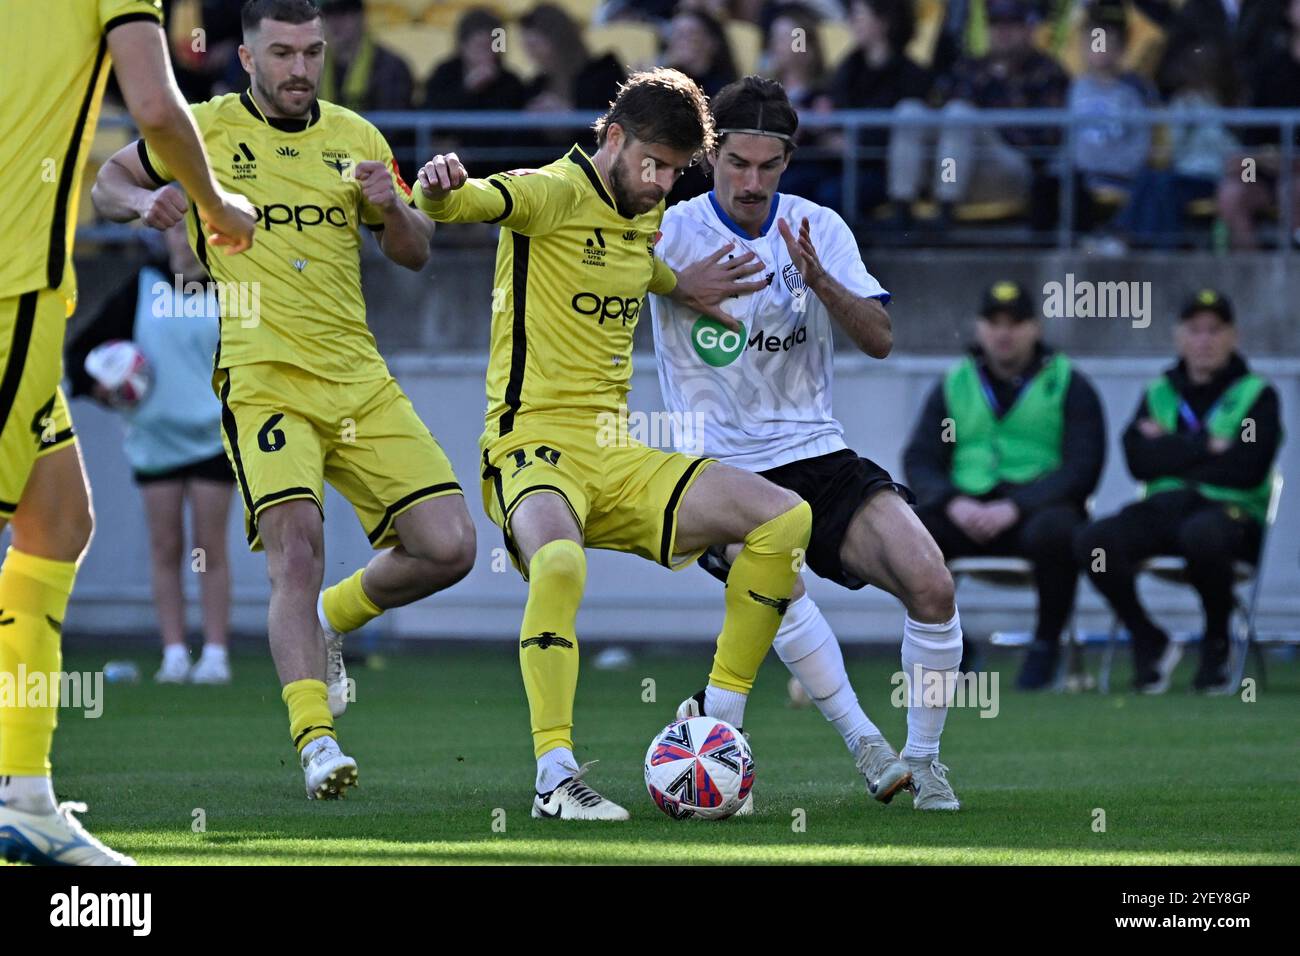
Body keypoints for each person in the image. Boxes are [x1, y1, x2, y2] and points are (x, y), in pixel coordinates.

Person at [92, 0, 476, 801]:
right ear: (246, 58)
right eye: (282, 54)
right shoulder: (202, 130)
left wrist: (392, 207)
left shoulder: (359, 138)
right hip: (263, 379)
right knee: (294, 549)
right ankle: (316, 741)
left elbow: (414, 254)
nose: (300, 69)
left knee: (450, 547)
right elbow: (108, 180)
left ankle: (333, 617)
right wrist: (143, 205)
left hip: (359, 378)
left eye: (311, 52)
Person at [415, 68, 813, 820]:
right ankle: (554, 777)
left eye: (675, 170)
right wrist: (436, 187)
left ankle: (718, 721)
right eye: (652, 164)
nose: (662, 183)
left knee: (784, 518)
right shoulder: (548, 191)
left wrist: (679, 284)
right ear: (614, 137)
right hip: (530, 446)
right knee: (558, 563)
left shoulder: (639, 216)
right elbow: (466, 202)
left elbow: (629, 263)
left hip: (616, 454)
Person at [650, 76, 965, 810]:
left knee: (932, 582)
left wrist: (823, 284)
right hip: (717, 467)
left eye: (767, 166)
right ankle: (865, 743)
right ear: (711, 154)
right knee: (779, 586)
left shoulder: (819, 228)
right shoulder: (669, 230)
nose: (751, 181)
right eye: (737, 164)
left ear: (787, 161)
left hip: (815, 452)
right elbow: (592, 264)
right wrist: (672, 282)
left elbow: (880, 339)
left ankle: (924, 761)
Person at [0, 0, 255, 867]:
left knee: (58, 521)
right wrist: (216, 201)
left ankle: (25, 794)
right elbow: (153, 105)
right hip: (8, 285)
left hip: (33, 288)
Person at [1076, 290, 1283, 694]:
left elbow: (1247, 466)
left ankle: (1216, 640)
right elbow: (1139, 459)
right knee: (1093, 542)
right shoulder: (1159, 392)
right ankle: (1148, 637)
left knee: (1203, 535)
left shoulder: (1256, 394)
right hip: (1165, 509)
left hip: (1230, 515)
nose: (1204, 340)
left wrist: (1170, 445)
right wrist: (1208, 445)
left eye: (1214, 330)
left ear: (1233, 336)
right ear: (1179, 337)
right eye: (1195, 330)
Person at [903, 280, 1105, 690]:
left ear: (1036, 328)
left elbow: (1083, 467)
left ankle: (1045, 646)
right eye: (994, 322)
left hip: (1035, 514)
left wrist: (1017, 506)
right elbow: (921, 459)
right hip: (968, 510)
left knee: (1059, 532)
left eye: (1015, 322)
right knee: (910, 532)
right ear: (979, 328)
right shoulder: (954, 384)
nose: (1004, 333)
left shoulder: (1069, 384)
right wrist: (952, 501)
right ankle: (948, 647)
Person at [66, 222, 234, 686]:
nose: (185, 238)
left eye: (195, 228)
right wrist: (102, 388)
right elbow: (78, 356)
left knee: (208, 546)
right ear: (166, 236)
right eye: (177, 229)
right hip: (154, 439)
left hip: (212, 438)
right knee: (165, 547)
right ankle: (175, 653)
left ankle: (216, 654)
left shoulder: (231, 287)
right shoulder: (141, 286)